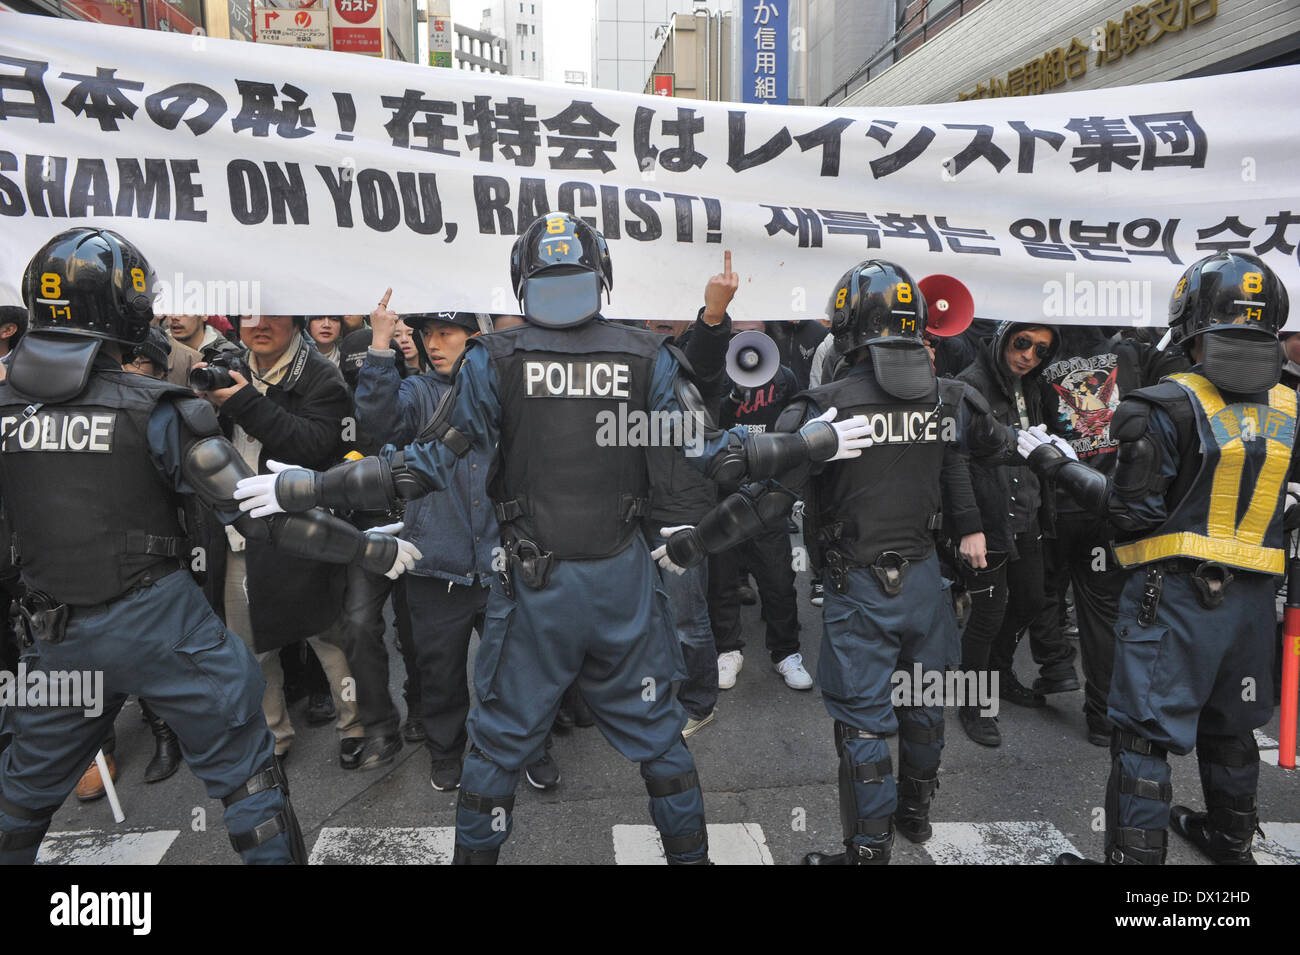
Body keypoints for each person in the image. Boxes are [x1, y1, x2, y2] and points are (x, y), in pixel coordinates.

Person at [234, 217, 871, 864]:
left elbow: (422, 464)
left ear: (521, 280)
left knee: (496, 749)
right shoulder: (643, 355)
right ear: (602, 276)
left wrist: (310, 486)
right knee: (661, 744)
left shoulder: (496, 360)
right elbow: (714, 455)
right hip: (622, 583)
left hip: (535, 588)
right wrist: (810, 442)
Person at [0, 228, 417, 864]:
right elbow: (262, 513)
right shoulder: (158, 410)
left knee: (21, 799)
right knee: (248, 783)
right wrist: (368, 549)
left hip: (55, 634)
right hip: (163, 626)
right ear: (126, 309)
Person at [656, 259, 1012, 864]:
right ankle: (916, 818)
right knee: (926, 700)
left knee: (865, 719)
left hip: (861, 584)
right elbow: (998, 447)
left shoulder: (824, 405)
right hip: (927, 579)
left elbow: (763, 504)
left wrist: (693, 546)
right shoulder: (954, 398)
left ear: (846, 325)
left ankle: (869, 848)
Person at [1019, 252, 1293, 865]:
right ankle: (1230, 844)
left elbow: (1127, 514)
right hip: (1252, 607)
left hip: (1173, 600)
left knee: (1142, 737)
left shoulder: (1159, 406)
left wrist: (1056, 465)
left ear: (1190, 318)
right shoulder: (1292, 405)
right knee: (1232, 729)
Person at [353, 306, 504, 789]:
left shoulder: (505, 391)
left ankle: (525, 747)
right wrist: (379, 344)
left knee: (513, 667)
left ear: (475, 338)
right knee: (438, 673)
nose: (434, 343)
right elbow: (376, 426)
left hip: (503, 562)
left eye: (447, 333)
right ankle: (446, 751)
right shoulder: (417, 392)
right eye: (428, 334)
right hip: (435, 563)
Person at [1032, 326, 1188, 745]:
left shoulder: (1041, 356)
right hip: (1108, 501)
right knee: (1101, 616)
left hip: (1059, 498)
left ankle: (1056, 665)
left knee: (1045, 587)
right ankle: (1102, 716)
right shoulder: (1129, 357)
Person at [951, 321, 1073, 747]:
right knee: (987, 614)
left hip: (1029, 514)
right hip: (988, 520)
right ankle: (973, 703)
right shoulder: (970, 385)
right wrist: (969, 527)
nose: (1029, 355)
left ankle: (999, 674)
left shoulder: (1037, 390)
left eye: (1041, 350)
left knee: (1031, 601)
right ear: (1003, 338)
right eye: (1022, 343)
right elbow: (956, 461)